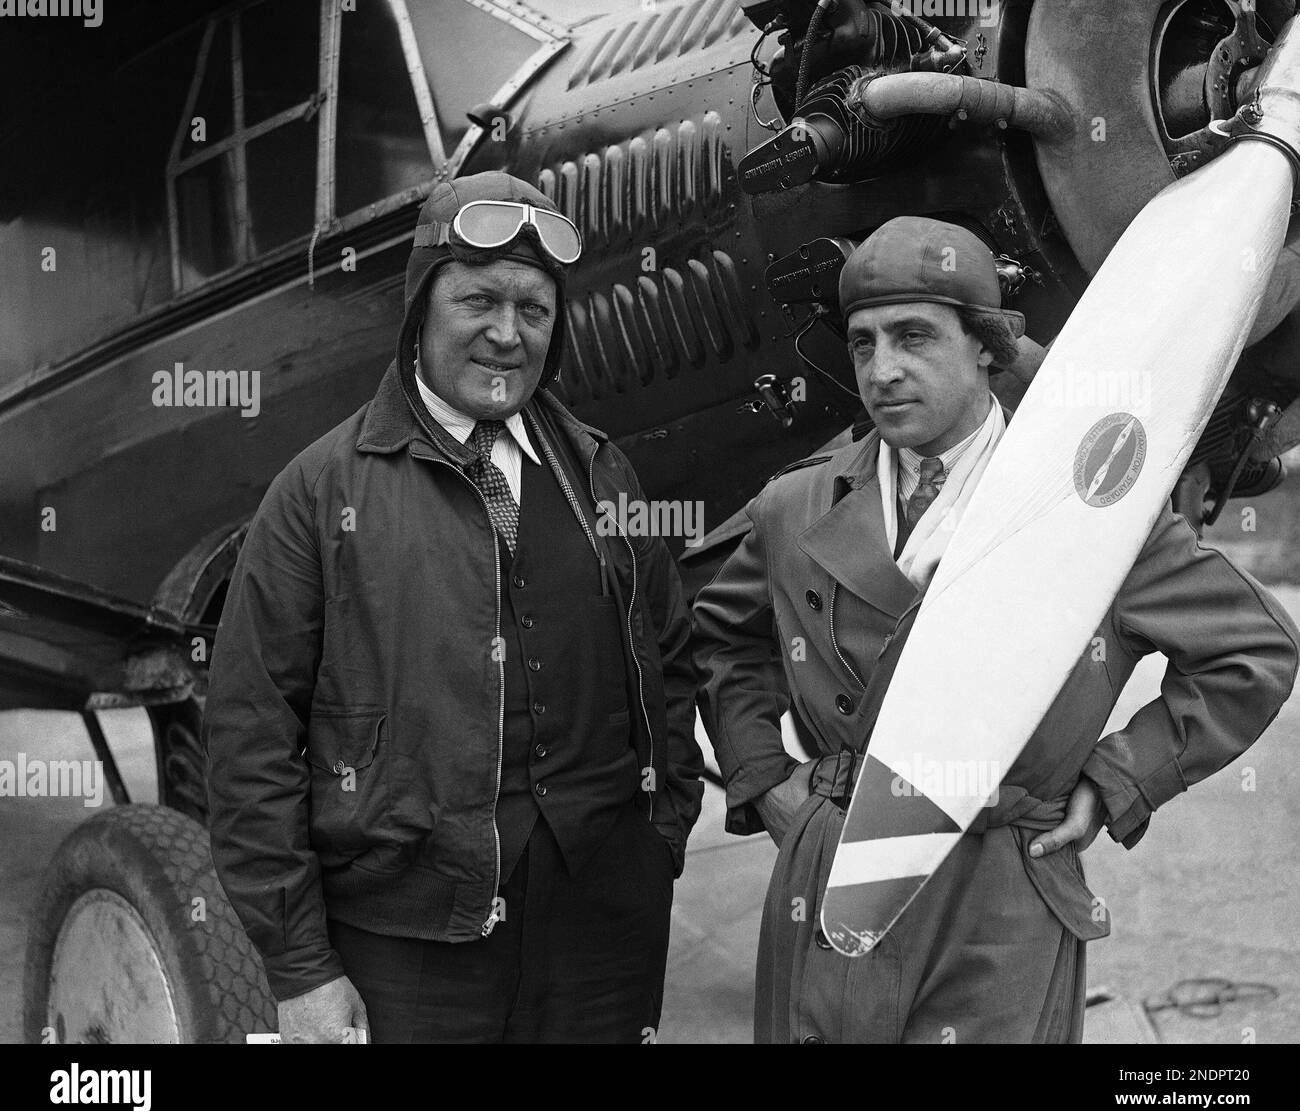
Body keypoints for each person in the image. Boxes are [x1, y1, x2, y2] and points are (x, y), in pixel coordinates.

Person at [691, 216, 1299, 1043]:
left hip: (1001, 883)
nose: (883, 370)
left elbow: (1251, 648)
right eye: (863, 343)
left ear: (985, 344)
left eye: (913, 336)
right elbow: (723, 637)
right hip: (830, 867)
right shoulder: (795, 505)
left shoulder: (1091, 507)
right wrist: (765, 779)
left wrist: (1121, 776)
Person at [204, 171, 703, 1043]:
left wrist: (662, 838)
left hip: (603, 926)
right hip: (408, 939)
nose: (507, 335)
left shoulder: (600, 471)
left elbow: (670, 654)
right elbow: (252, 736)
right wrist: (300, 967)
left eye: (535, 310)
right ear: (420, 310)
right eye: (479, 300)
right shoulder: (319, 492)